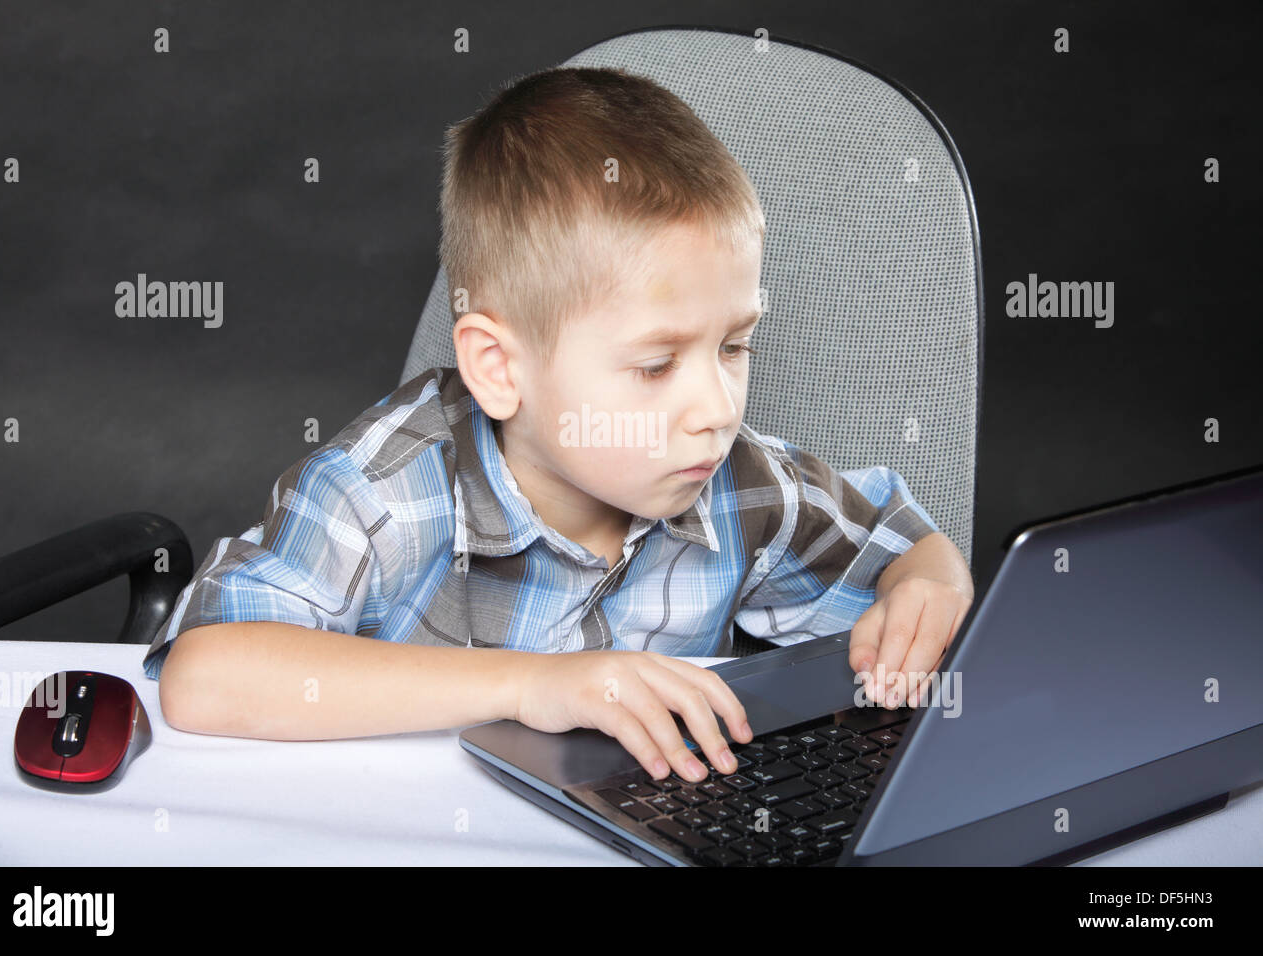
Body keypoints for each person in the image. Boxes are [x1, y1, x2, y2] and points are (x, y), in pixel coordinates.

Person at [146, 66, 974, 786]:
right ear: (500, 370)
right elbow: (207, 675)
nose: (717, 409)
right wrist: (531, 684)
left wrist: (929, 591)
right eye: (655, 366)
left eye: (734, 346)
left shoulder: (740, 484)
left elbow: (915, 557)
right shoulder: (386, 489)